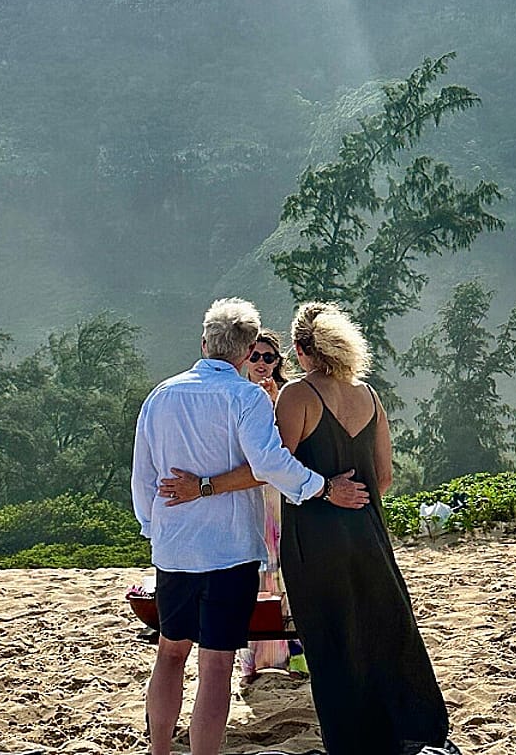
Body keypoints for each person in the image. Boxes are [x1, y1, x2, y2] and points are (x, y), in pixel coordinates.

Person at [161, 302, 450, 755]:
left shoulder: (298, 396)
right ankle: (411, 728)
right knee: (381, 628)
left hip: (315, 540)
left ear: (298, 348)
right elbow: (385, 478)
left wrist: (205, 487)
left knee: (330, 640)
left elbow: (271, 468)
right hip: (368, 532)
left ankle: (352, 739)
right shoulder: (369, 396)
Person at [131, 298, 368, 755]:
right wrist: (323, 489)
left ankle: (159, 750)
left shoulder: (161, 395)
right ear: (245, 353)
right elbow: (269, 464)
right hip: (230, 551)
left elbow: (143, 473)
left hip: (174, 549)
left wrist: (153, 527)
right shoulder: (246, 397)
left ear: (204, 343)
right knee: (216, 665)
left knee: (170, 653)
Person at [237, 330, 309, 685]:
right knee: (256, 570)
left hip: (280, 495)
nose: (263, 363)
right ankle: (252, 658)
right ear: (246, 358)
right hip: (250, 494)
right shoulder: (238, 396)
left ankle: (296, 654)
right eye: (257, 357)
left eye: (270, 357)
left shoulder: (290, 396)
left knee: (286, 569)